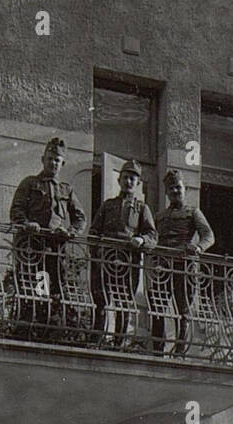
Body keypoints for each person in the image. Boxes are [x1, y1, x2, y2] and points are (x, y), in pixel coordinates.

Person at [9, 137, 87, 334]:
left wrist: (69, 232)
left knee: (55, 290)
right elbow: (16, 210)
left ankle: (49, 329)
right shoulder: (29, 183)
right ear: (42, 159)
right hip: (32, 247)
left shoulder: (66, 190)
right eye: (50, 158)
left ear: (63, 164)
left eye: (57, 160)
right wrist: (27, 224)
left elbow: (80, 217)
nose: (53, 163)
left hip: (56, 248)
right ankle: (28, 327)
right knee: (32, 289)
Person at [89, 159, 157, 346]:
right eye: (126, 178)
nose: (128, 182)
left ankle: (118, 344)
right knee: (101, 300)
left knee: (124, 302)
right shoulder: (108, 205)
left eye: (133, 179)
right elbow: (93, 232)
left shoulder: (142, 208)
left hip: (128, 262)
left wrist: (142, 240)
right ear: (119, 180)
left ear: (137, 183)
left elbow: (152, 235)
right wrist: (96, 253)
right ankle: (96, 339)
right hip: (105, 259)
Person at [150, 169, 214, 356]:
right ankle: (158, 350)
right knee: (157, 308)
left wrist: (199, 248)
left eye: (178, 187)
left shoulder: (193, 212)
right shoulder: (159, 216)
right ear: (167, 193)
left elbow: (208, 235)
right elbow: (153, 238)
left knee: (183, 310)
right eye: (171, 189)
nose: (175, 191)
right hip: (163, 267)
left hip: (185, 266)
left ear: (184, 188)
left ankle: (179, 352)